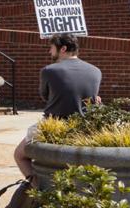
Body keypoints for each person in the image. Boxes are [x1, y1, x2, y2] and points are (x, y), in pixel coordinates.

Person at [13, 34, 102, 179]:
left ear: (63, 49)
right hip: (85, 127)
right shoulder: (96, 71)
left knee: (19, 155)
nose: (50, 52)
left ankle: (39, 189)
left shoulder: (49, 70)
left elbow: (45, 97)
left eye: (52, 48)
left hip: (53, 125)